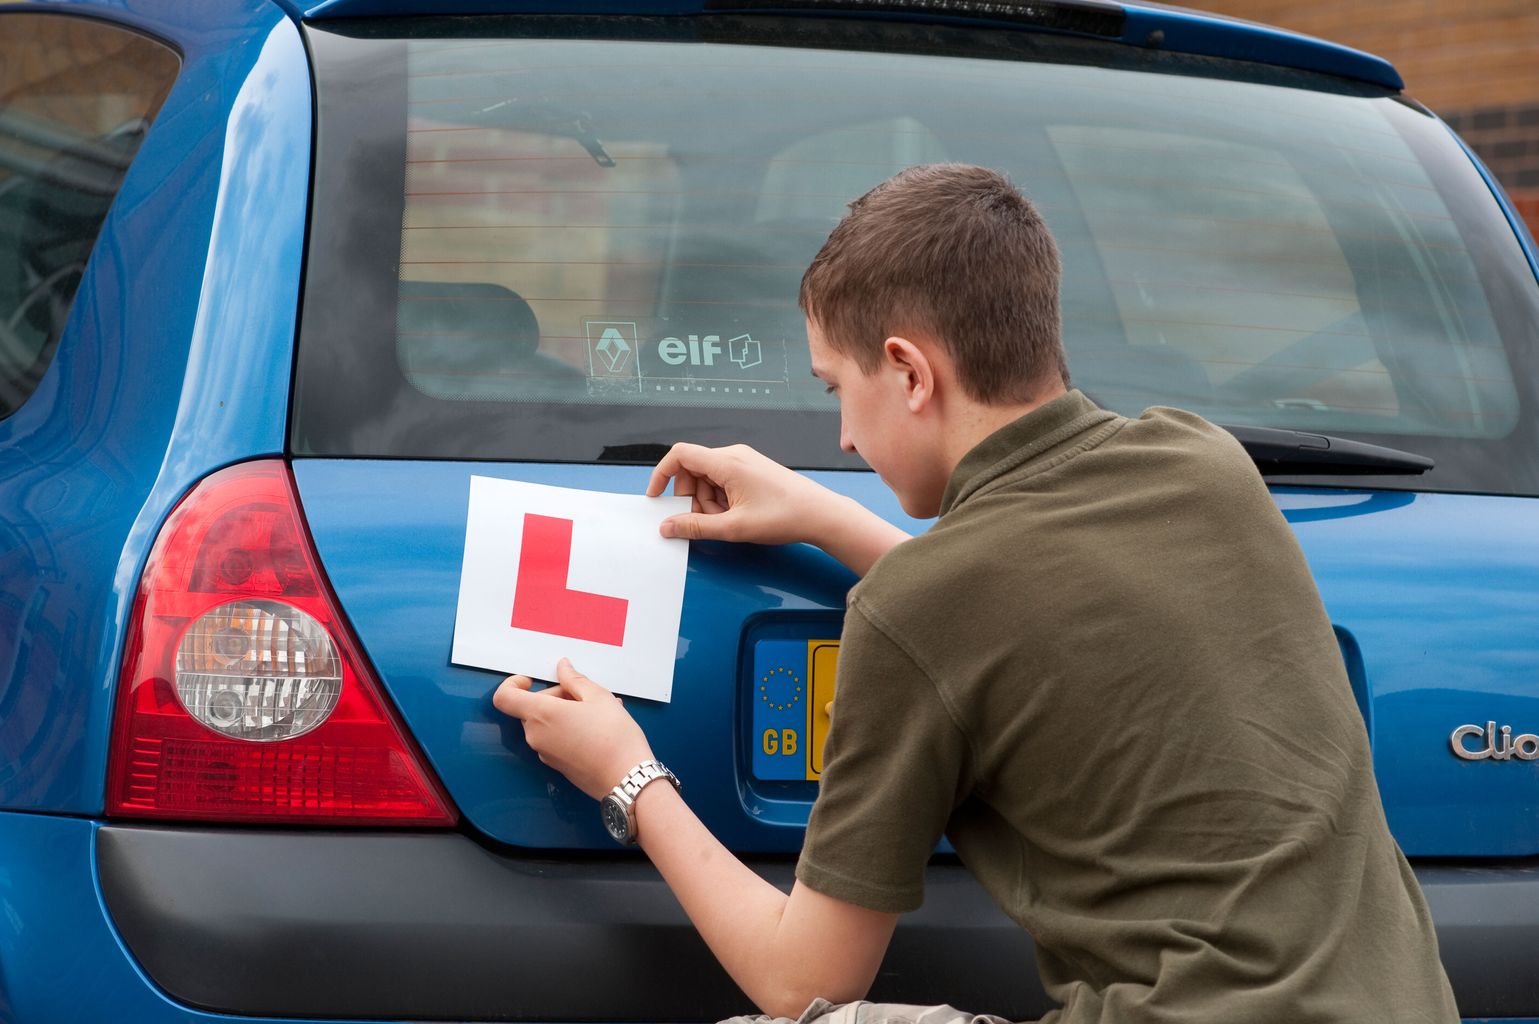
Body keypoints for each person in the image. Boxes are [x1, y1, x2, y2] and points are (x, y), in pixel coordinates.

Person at [492, 164, 1459, 1024]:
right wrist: (825, 515)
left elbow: (804, 983)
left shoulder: (922, 611)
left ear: (909, 372)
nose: (841, 441)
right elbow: (1023, 597)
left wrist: (628, 773)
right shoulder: (1203, 462)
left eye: (836, 390)